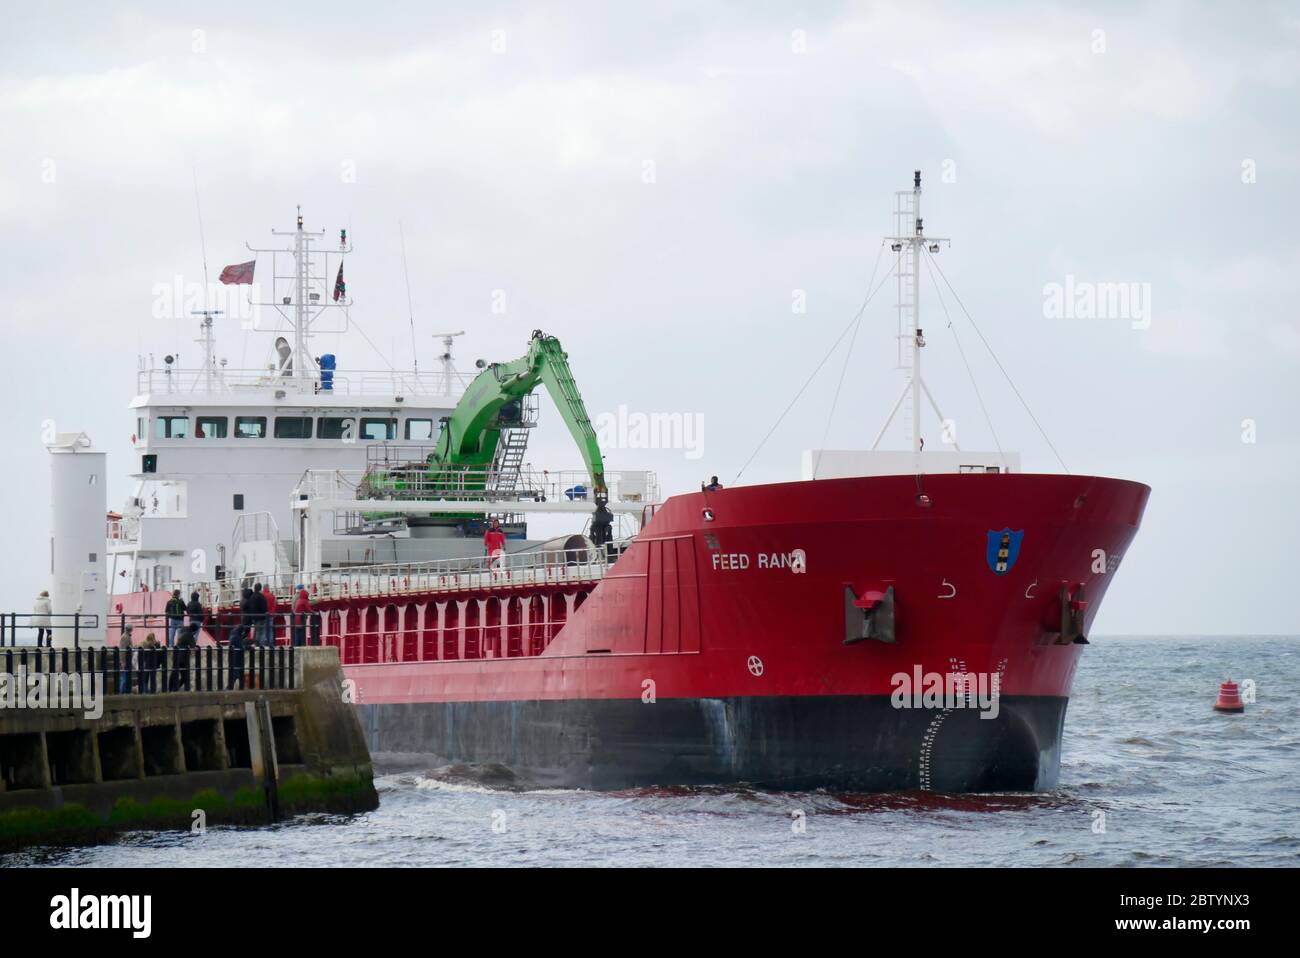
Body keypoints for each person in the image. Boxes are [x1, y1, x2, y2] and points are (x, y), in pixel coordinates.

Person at [170, 625, 196, 691]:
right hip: (182, 657)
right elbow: (193, 645)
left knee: (174, 672)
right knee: (184, 675)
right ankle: (176, 687)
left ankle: (171, 687)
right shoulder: (189, 635)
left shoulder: (183, 631)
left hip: (176, 655)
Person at [252, 583, 270, 648]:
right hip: (261, 617)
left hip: (254, 617)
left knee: (257, 631)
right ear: (260, 588)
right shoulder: (261, 597)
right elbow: (264, 607)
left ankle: (256, 643)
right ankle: (261, 645)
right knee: (262, 632)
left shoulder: (252, 596)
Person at [117, 626, 135, 694]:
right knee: (125, 677)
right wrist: (122, 662)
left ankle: (124, 691)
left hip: (127, 659)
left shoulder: (127, 636)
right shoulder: (125, 637)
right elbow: (122, 650)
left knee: (126, 676)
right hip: (126, 660)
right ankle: (121, 692)